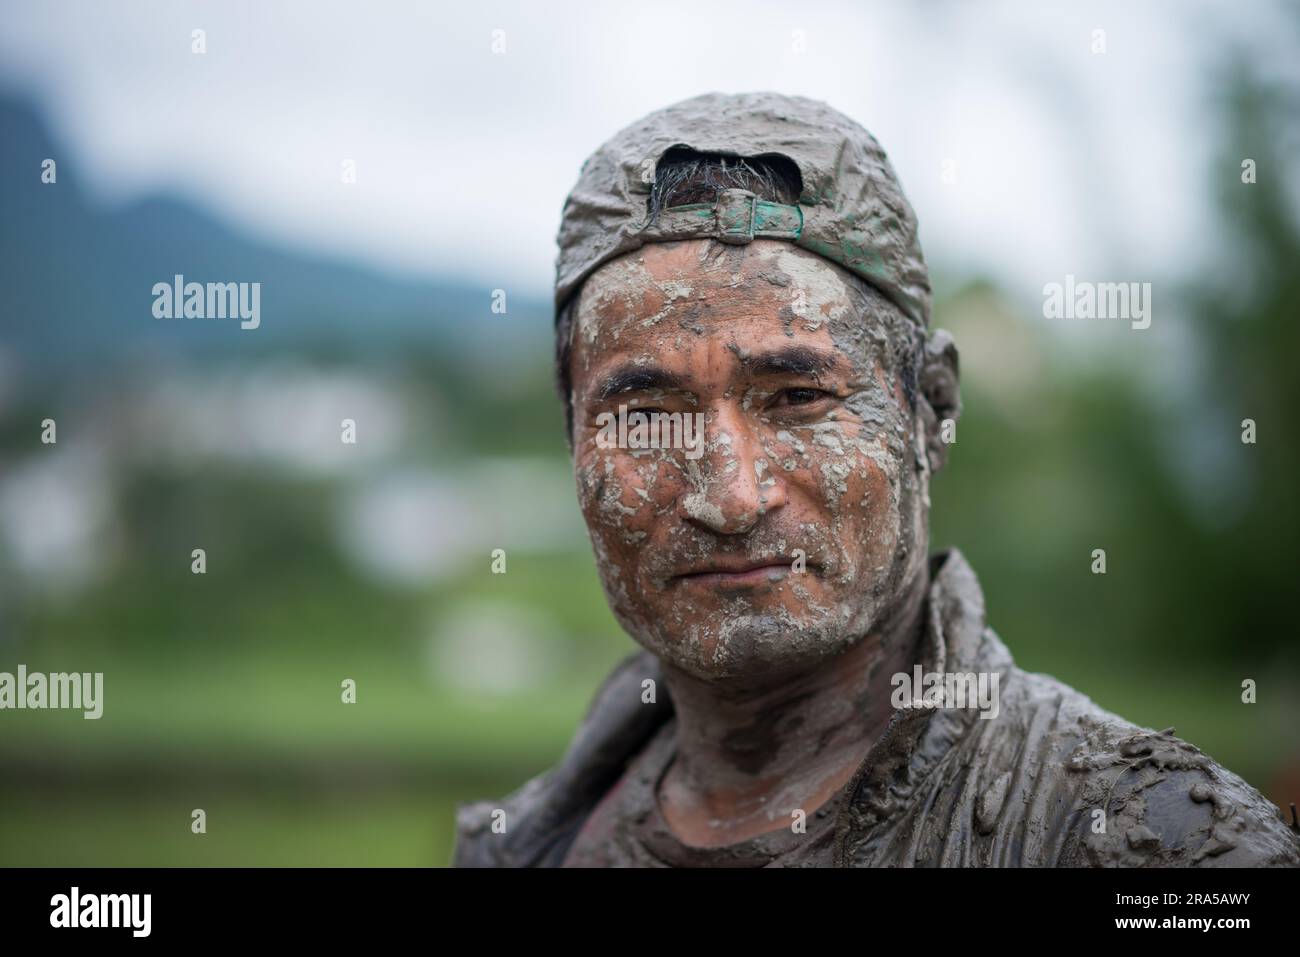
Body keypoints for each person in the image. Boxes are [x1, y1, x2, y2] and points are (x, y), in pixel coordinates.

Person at [451, 92, 1300, 867]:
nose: (732, 496)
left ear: (930, 410)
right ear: (573, 441)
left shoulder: (1154, 847)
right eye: (646, 418)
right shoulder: (524, 848)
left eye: (797, 399)